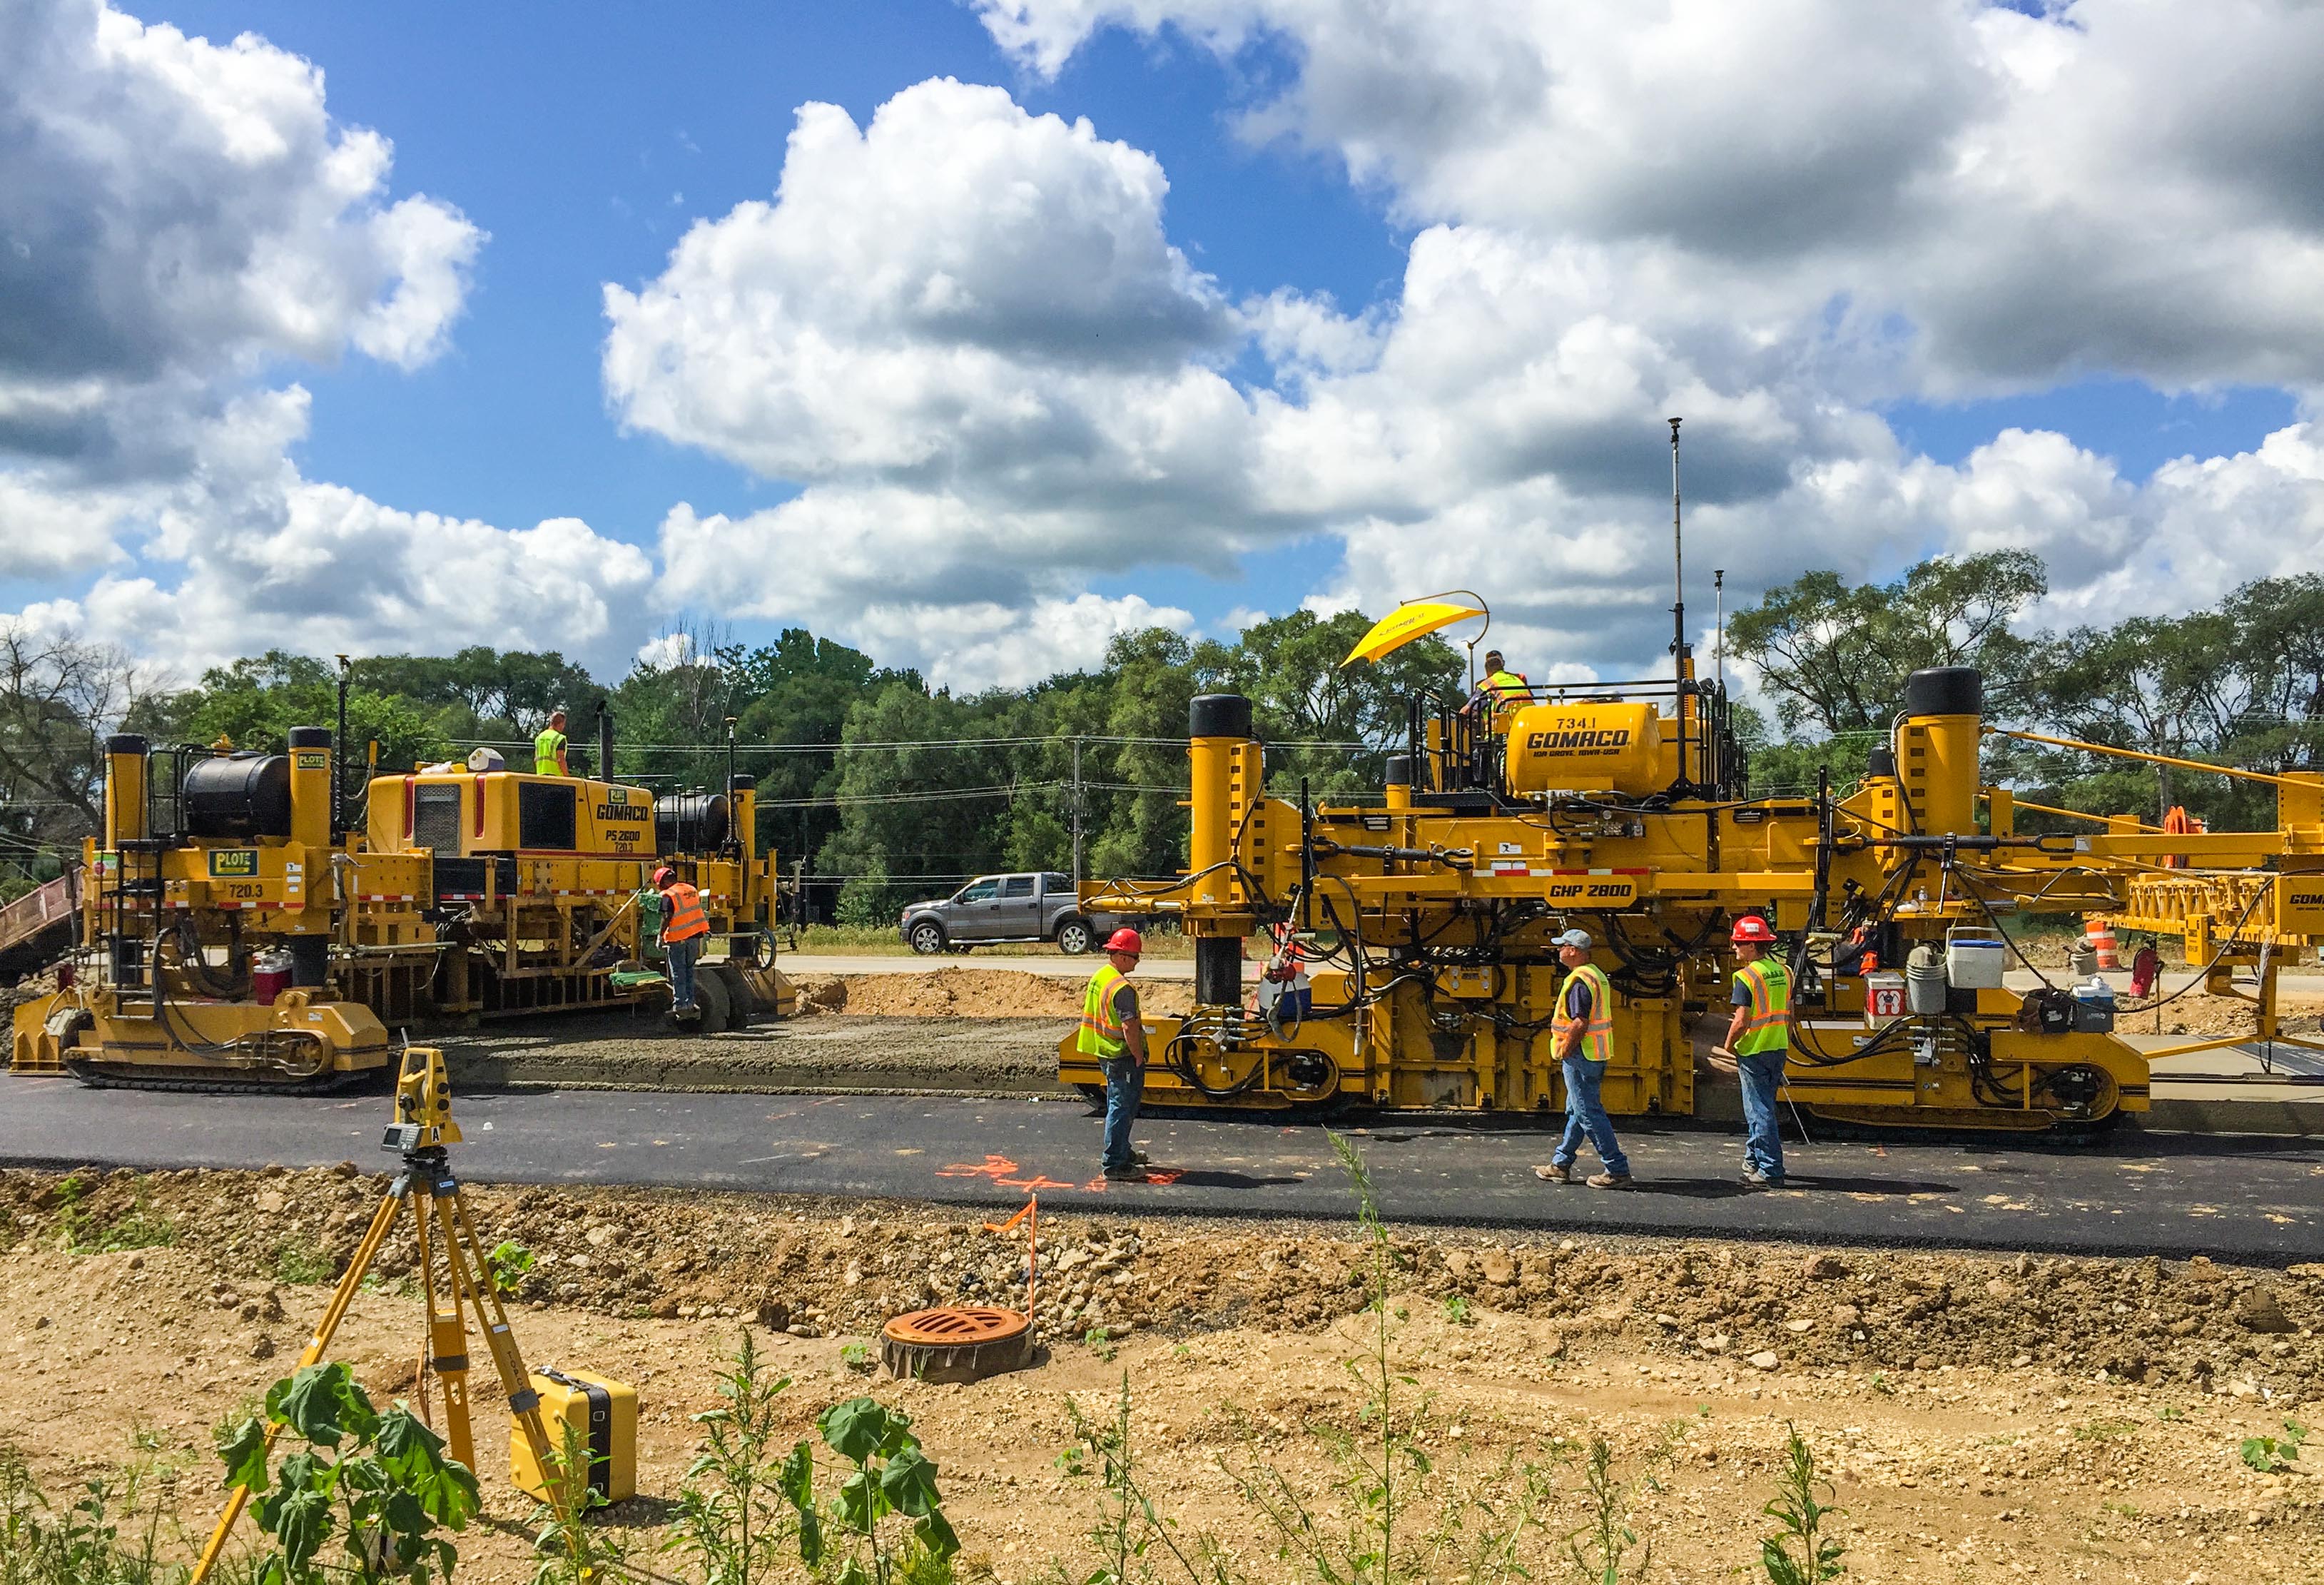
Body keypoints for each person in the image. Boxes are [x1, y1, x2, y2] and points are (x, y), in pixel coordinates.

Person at [1533, 927, 1633, 1188]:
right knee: (1577, 1111)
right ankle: (1560, 1164)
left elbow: (1580, 1022)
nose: (1558, 950)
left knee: (1588, 1113)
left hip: (1580, 1054)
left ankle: (1617, 1168)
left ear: (1573, 951)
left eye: (1561, 946)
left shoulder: (1579, 980)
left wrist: (1566, 1049)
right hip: (1595, 1053)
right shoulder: (1597, 975)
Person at [1720, 914, 1792, 1188]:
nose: (1735, 947)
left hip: (1753, 1051)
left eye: (1739, 943)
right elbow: (1790, 1013)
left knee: (1758, 1111)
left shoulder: (1746, 976)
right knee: (1764, 1106)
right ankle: (1754, 1160)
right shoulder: (1784, 972)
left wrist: (1729, 1046)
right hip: (1777, 1048)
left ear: (1752, 946)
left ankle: (1771, 1171)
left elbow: (1741, 1020)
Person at [1078, 927, 1152, 1181]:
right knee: (1122, 1107)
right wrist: (1138, 1055)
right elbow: (1129, 1026)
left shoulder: (1102, 976)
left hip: (1105, 1051)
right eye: (1135, 956)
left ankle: (1122, 1151)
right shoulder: (1123, 989)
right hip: (1121, 1055)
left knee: (1117, 1104)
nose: (1137, 961)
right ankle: (1115, 1164)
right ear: (1122, 956)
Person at [655, 865, 709, 1021]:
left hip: (678, 939)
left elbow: (667, 916)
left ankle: (680, 1005)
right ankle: (690, 1003)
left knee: (678, 973)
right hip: (694, 938)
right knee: (689, 971)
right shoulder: (691, 889)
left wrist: (660, 937)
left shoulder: (669, 894)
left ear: (664, 881)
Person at [1463, 650, 1531, 717]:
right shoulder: (1516, 679)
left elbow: (1467, 709)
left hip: (1507, 721)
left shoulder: (1487, 684)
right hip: (1530, 717)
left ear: (1487, 669)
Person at [534, 709, 570, 776]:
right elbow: (561, 760)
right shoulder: (559, 738)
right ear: (561, 724)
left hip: (540, 776)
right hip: (556, 778)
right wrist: (567, 777)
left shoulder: (539, 737)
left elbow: (536, 759)